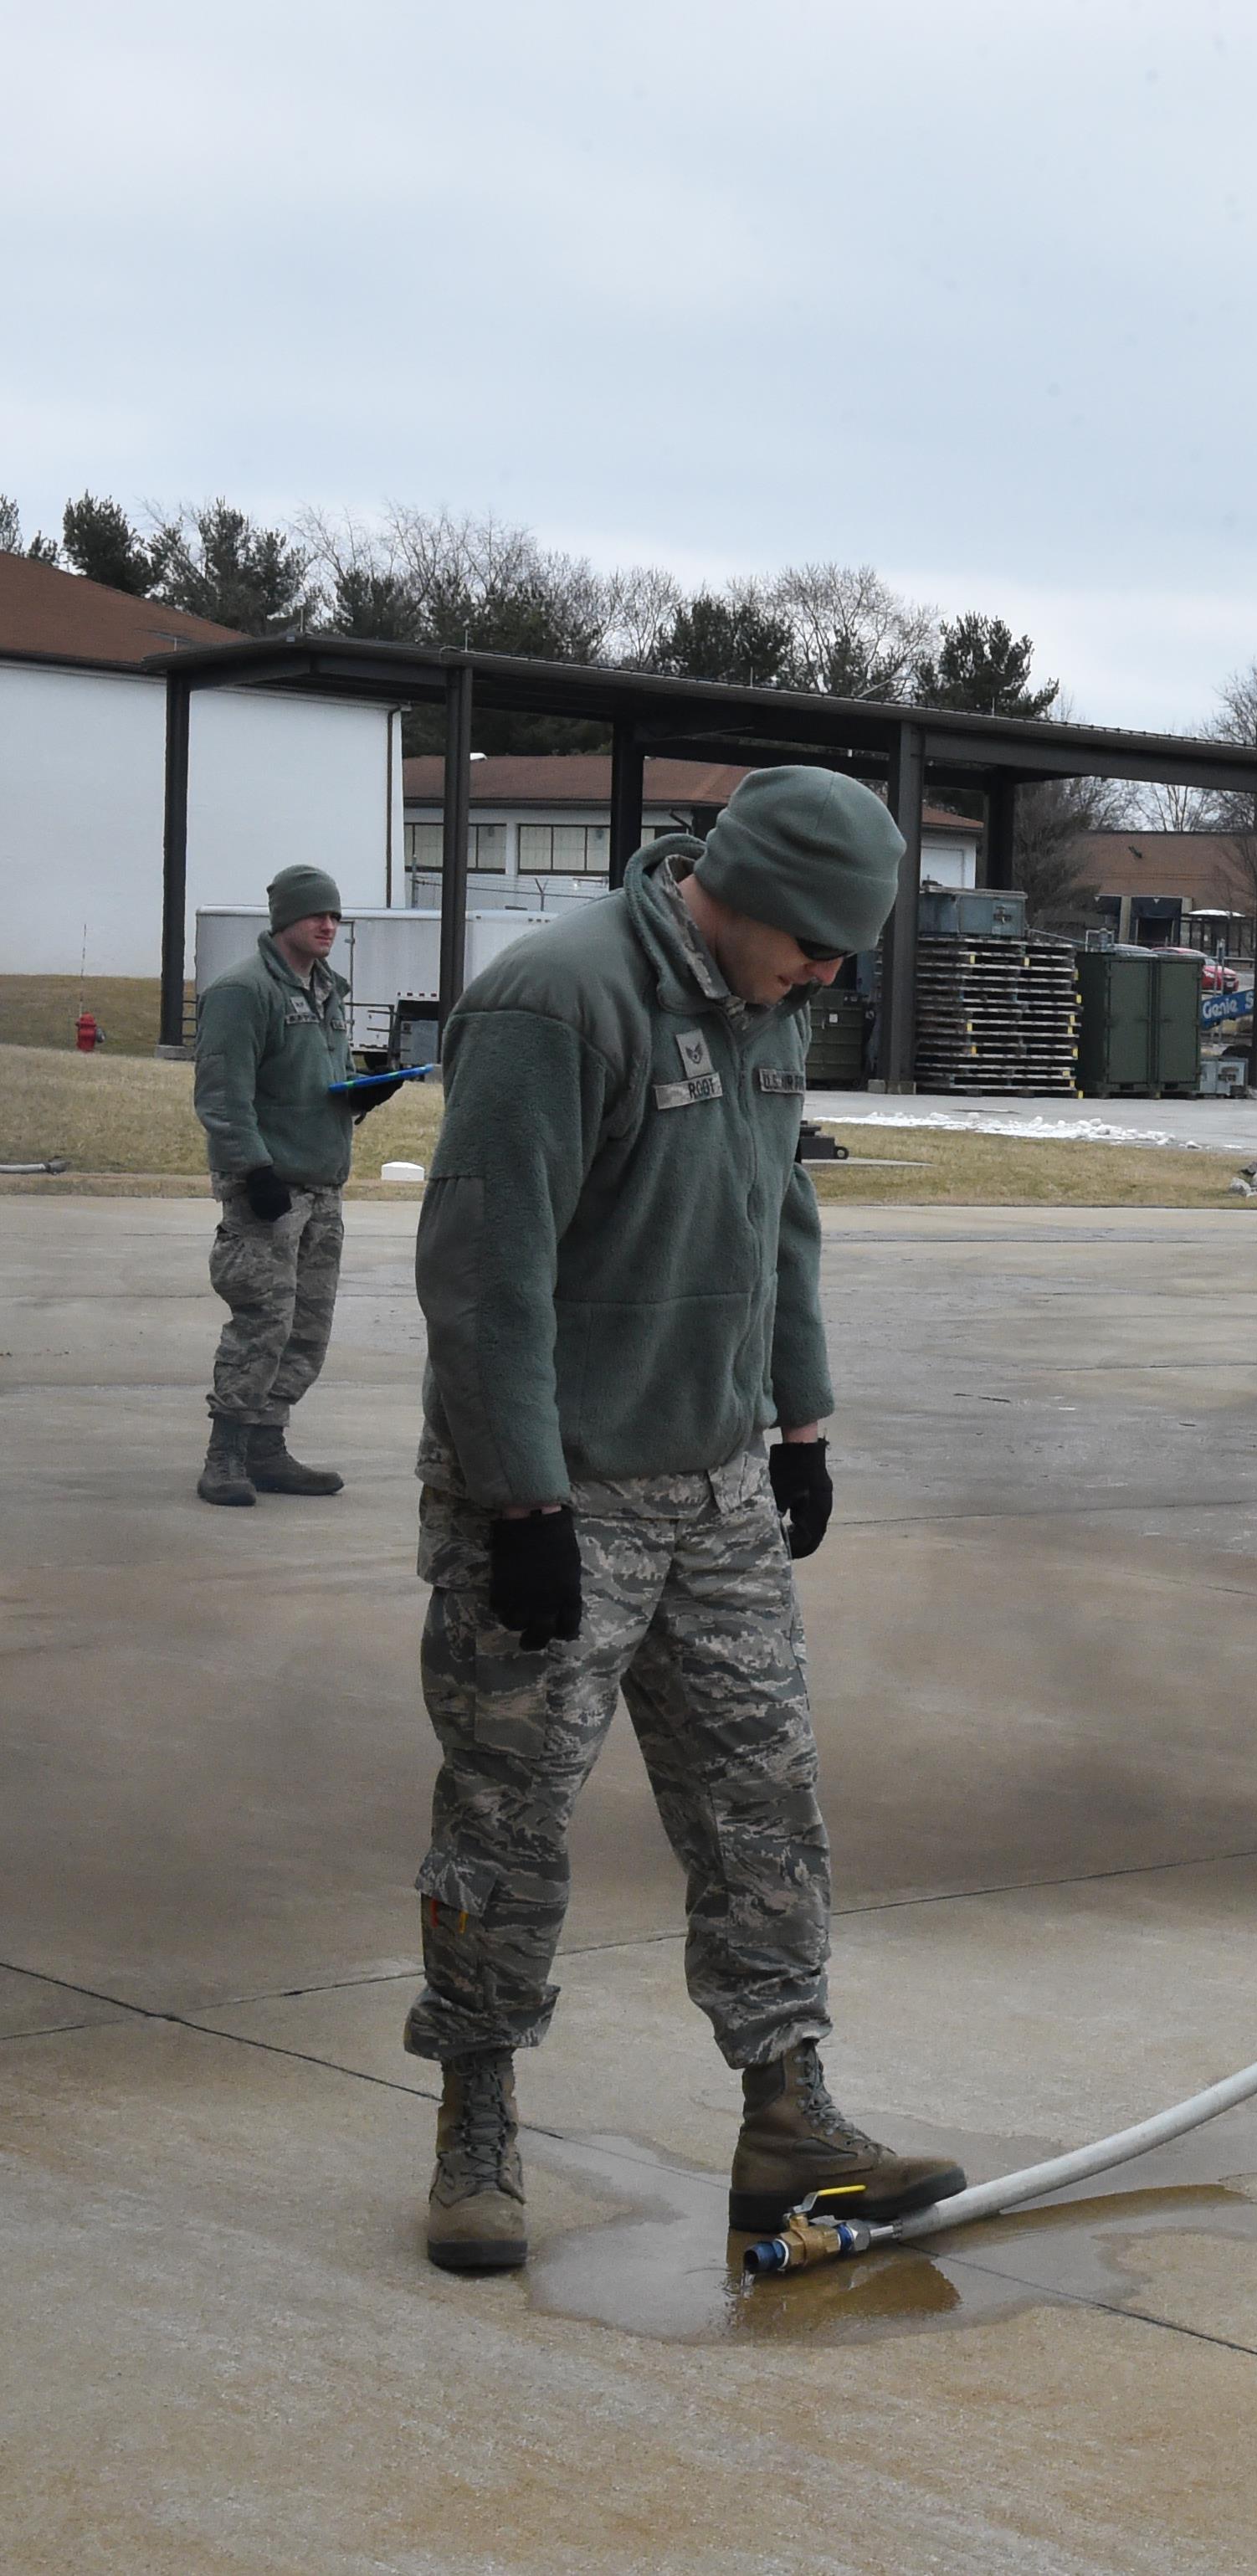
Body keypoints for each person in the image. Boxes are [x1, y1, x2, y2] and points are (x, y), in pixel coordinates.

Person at [404, 767, 962, 2273]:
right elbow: (483, 1274)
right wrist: (521, 1496)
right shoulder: (557, 1001)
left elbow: (781, 1215)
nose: (831, 977)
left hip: (715, 1487)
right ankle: (477, 2121)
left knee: (763, 1807)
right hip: (558, 1491)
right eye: (818, 945)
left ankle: (788, 2117)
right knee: (508, 1823)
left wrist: (801, 1417)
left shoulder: (766, 1006)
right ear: (747, 890)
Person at [190, 865, 372, 1505]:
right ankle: (226, 1455)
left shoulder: (327, 991)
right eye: (315, 915)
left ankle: (268, 1447)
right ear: (284, 922)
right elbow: (221, 1096)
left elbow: (309, 1082)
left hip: (322, 1187)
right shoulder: (243, 992)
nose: (328, 925)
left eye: (334, 916)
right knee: (262, 1321)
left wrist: (357, 1097)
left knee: (306, 1329)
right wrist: (252, 1171)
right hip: (270, 1191)